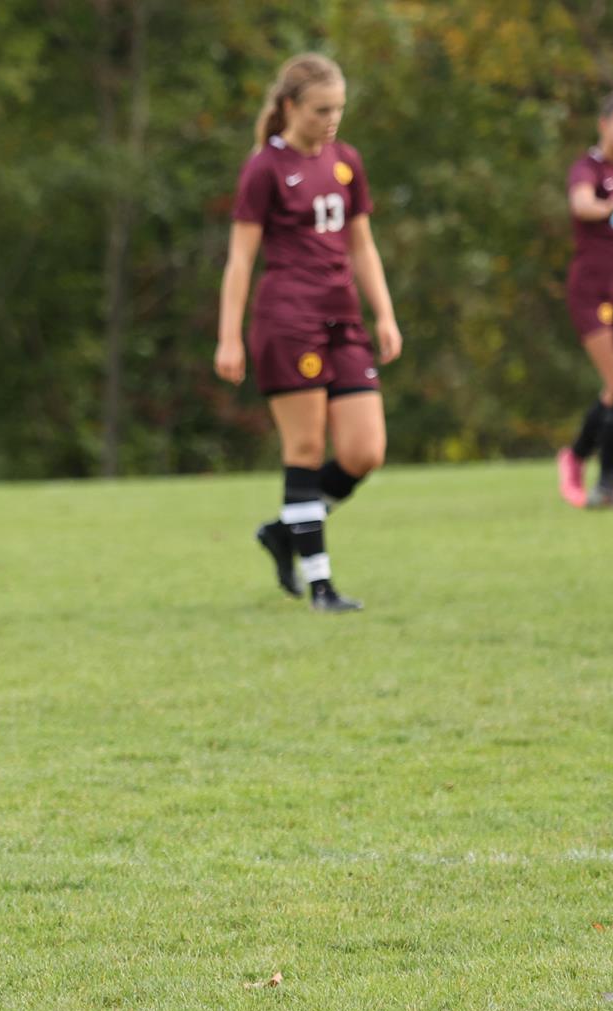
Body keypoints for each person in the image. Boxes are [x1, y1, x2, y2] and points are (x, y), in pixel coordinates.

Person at [216, 54, 399, 613]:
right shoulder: (264, 168)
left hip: (343, 318)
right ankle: (321, 587)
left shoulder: (347, 161)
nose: (332, 119)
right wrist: (229, 336)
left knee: (365, 450)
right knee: (304, 447)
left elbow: (361, 245)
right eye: (322, 109)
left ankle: (283, 531)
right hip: (287, 319)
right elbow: (241, 259)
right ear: (291, 106)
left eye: (340, 108)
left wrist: (385, 314)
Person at [559, 91, 613, 509]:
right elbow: (581, 203)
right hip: (594, 293)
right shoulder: (588, 168)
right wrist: (612, 200)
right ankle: (577, 459)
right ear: (604, 124)